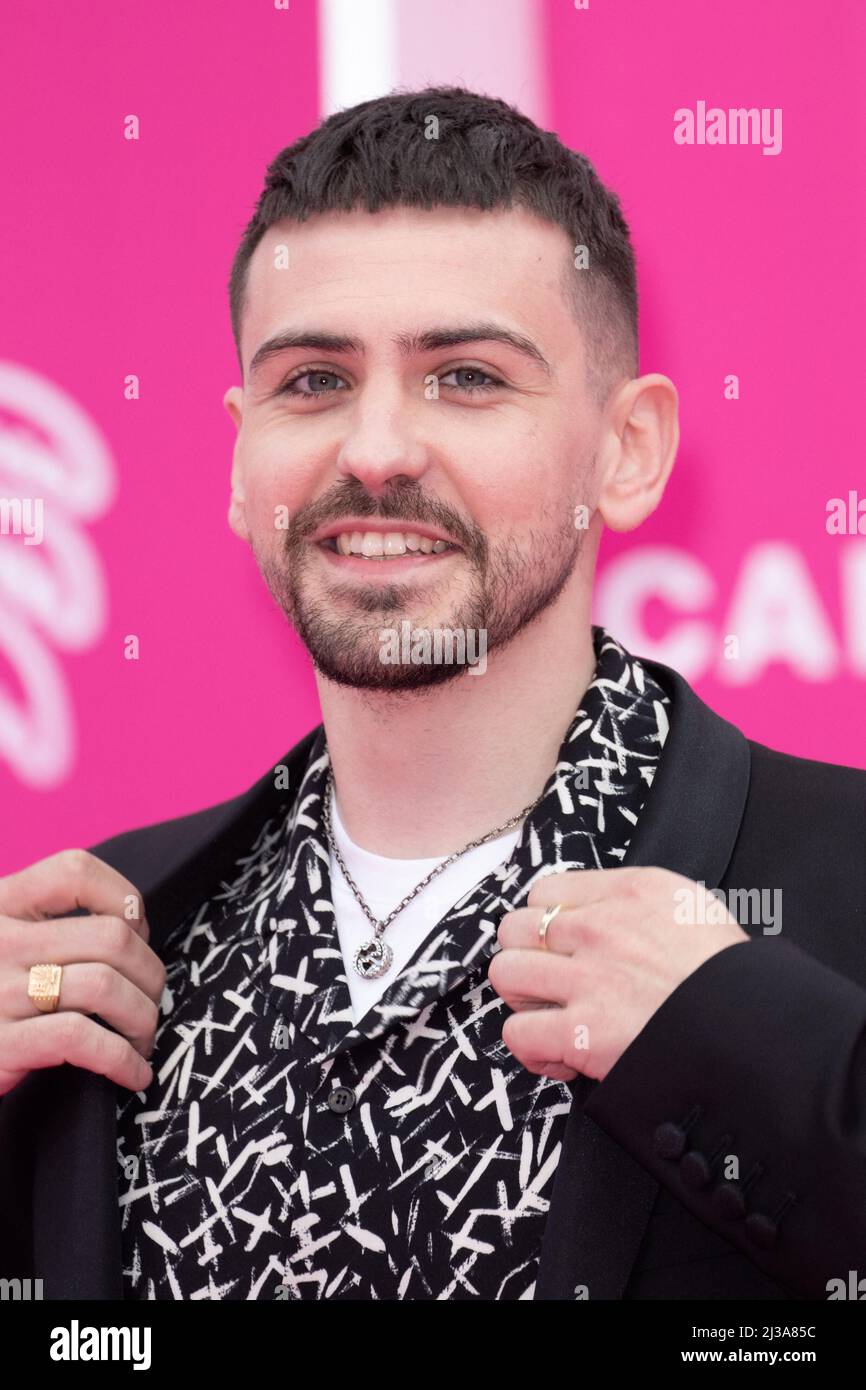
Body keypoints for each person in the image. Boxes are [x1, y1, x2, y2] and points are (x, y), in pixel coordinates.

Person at [0, 86, 864, 1302]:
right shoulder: (100, 955)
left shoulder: (838, 881)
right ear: (242, 460)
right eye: (312, 380)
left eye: (464, 376)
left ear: (626, 450)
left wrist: (748, 1044)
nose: (376, 449)